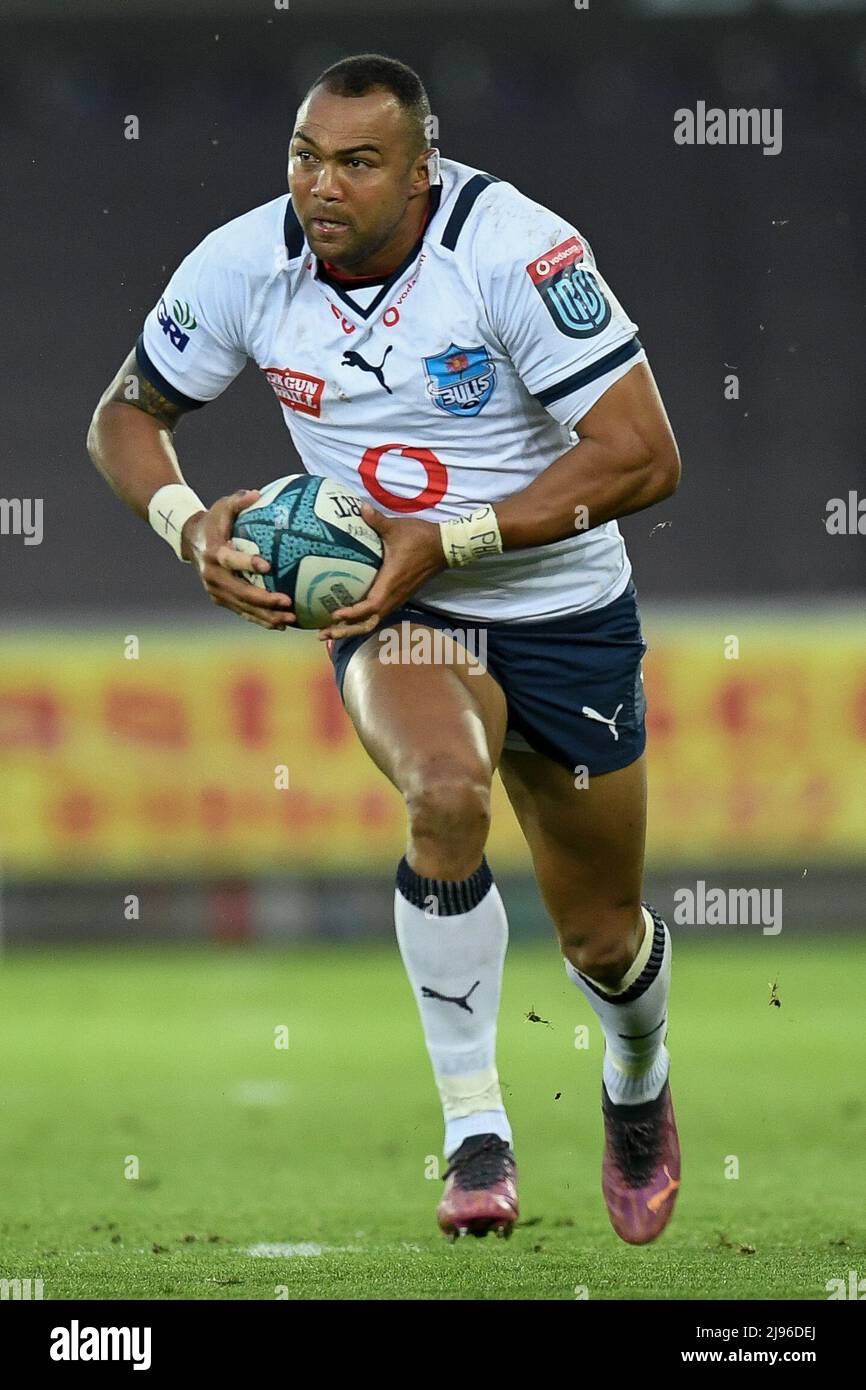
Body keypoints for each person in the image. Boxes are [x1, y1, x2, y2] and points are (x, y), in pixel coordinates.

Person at [87, 53, 682, 1245]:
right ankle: (474, 1130)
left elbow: (643, 455)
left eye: (358, 162)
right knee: (445, 792)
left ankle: (634, 1075)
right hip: (399, 611)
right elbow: (125, 414)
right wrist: (187, 520)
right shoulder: (242, 263)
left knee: (604, 937)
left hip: (560, 609)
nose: (322, 184)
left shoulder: (514, 250)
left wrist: (449, 537)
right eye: (306, 156)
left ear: (424, 169)